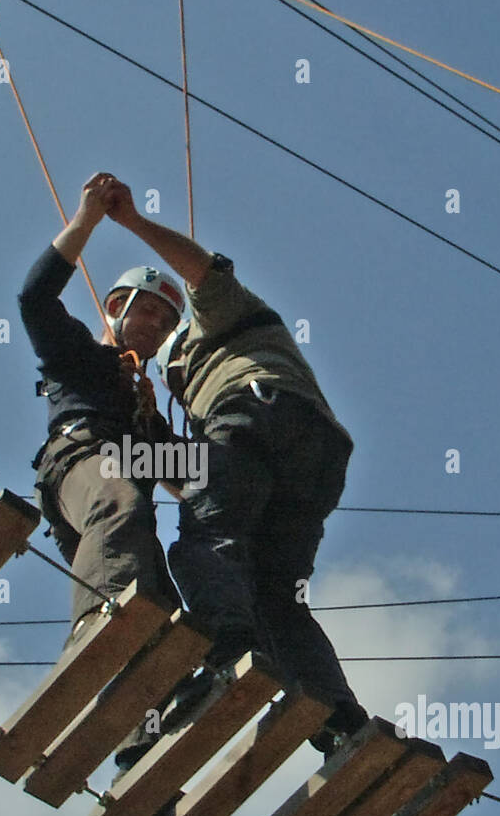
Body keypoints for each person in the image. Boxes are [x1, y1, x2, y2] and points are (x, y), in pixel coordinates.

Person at [100, 178, 369, 756]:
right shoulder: (200, 400)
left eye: (164, 325)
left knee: (204, 545)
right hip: (311, 461)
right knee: (278, 598)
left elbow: (202, 271)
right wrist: (136, 429)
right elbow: (202, 479)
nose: (174, 365)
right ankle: (338, 718)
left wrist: (132, 221)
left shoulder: (220, 316)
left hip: (260, 414)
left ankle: (227, 646)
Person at [18, 171, 185, 648]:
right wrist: (85, 221)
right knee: (120, 503)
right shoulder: (80, 355)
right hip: (82, 462)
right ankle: (100, 630)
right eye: (148, 311)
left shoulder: (145, 416)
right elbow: (35, 299)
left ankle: (164, 674)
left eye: (166, 322)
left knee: (162, 601)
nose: (156, 326)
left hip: (123, 504)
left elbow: (197, 475)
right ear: (115, 307)